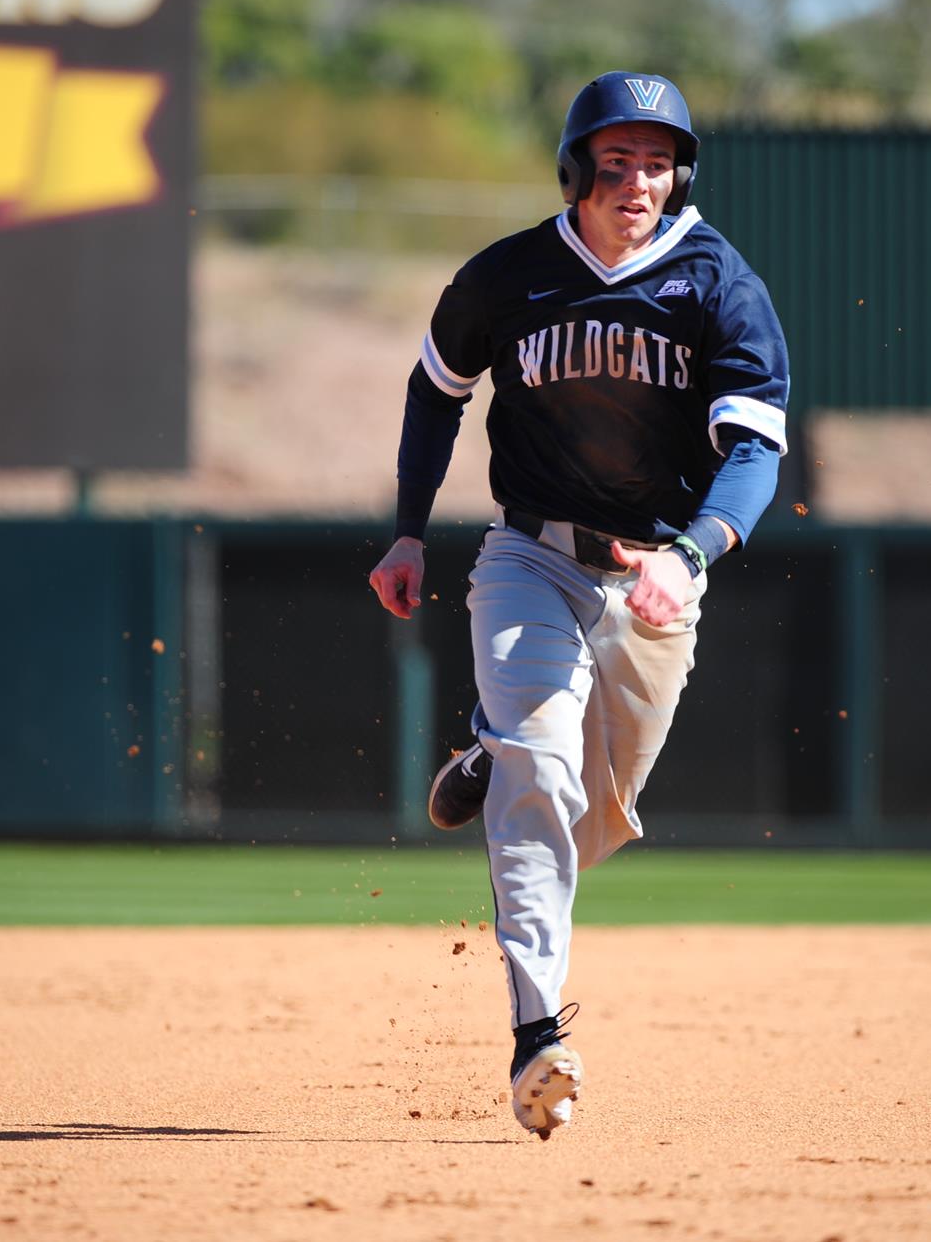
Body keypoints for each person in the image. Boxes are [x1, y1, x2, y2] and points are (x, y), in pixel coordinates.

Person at [366, 71, 790, 1140]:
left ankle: (486, 747)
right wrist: (410, 524)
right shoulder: (509, 275)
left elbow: (753, 451)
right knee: (540, 783)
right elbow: (435, 388)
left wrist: (691, 555)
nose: (637, 178)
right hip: (530, 560)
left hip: (654, 579)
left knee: (591, 819)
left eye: (657, 159)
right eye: (616, 158)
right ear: (576, 166)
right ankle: (534, 1038)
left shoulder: (716, 283)